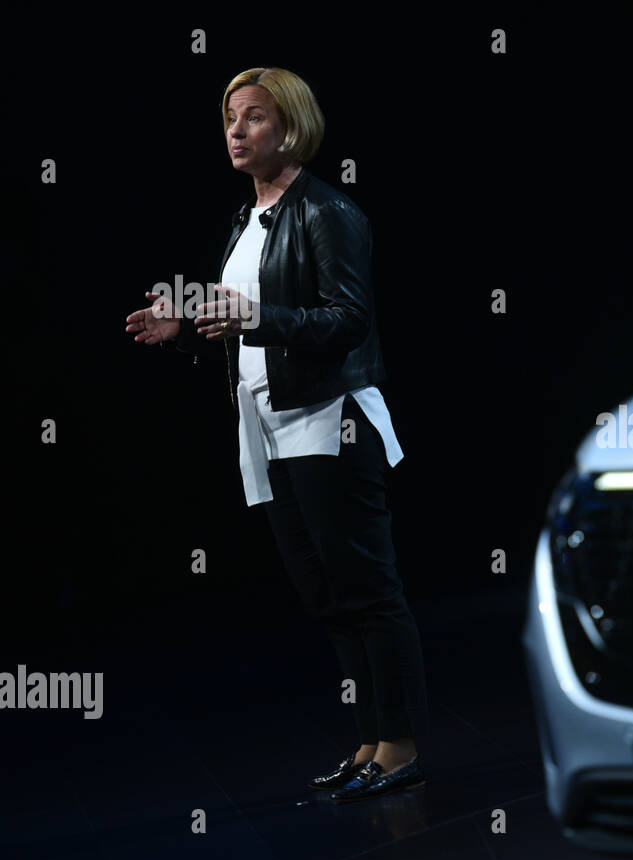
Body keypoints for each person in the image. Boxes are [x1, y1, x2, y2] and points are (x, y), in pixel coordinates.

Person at [124, 67, 431, 803]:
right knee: (326, 595)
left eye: (254, 117)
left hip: (332, 420)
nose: (236, 130)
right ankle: (368, 740)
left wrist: (254, 321)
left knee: (368, 588)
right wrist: (183, 334)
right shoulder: (246, 218)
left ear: (289, 127)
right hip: (268, 427)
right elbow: (240, 324)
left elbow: (347, 319)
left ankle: (401, 745)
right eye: (230, 118)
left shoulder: (327, 211)